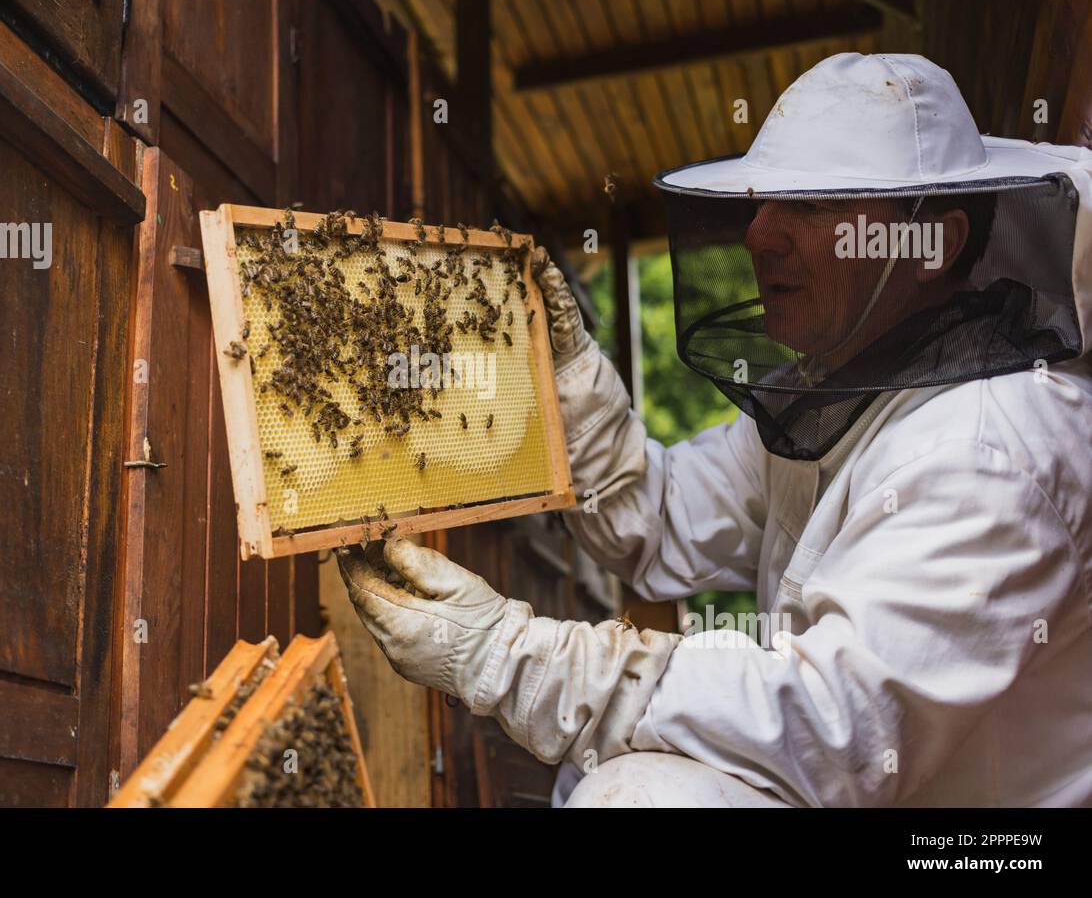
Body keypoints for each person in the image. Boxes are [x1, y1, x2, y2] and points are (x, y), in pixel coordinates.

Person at [337, 53, 1092, 807]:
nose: (758, 234)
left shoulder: (991, 451)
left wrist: (508, 658)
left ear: (934, 245)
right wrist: (565, 368)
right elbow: (656, 520)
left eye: (811, 206)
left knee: (638, 796)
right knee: (602, 774)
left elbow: (830, 726)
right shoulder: (838, 390)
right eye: (765, 202)